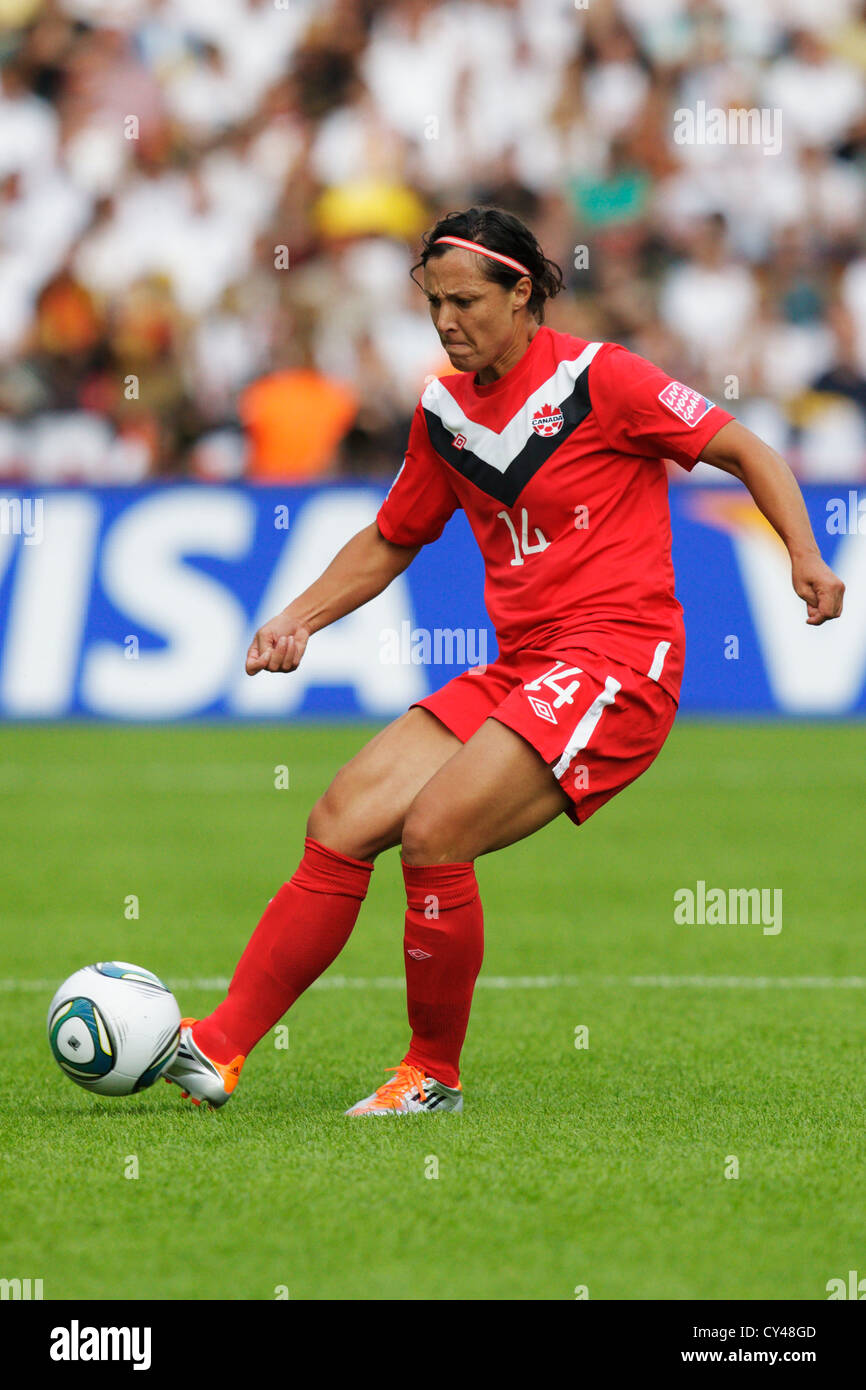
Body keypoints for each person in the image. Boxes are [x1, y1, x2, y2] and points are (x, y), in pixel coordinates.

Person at [165, 207, 845, 1114]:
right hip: (524, 663)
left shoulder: (603, 379)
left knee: (436, 829)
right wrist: (299, 618)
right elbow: (392, 537)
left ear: (522, 293)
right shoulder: (442, 410)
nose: (447, 322)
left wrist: (803, 552)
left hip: (620, 659)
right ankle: (214, 1050)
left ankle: (429, 1076)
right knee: (342, 814)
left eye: (466, 302)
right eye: (433, 303)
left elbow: (743, 447)